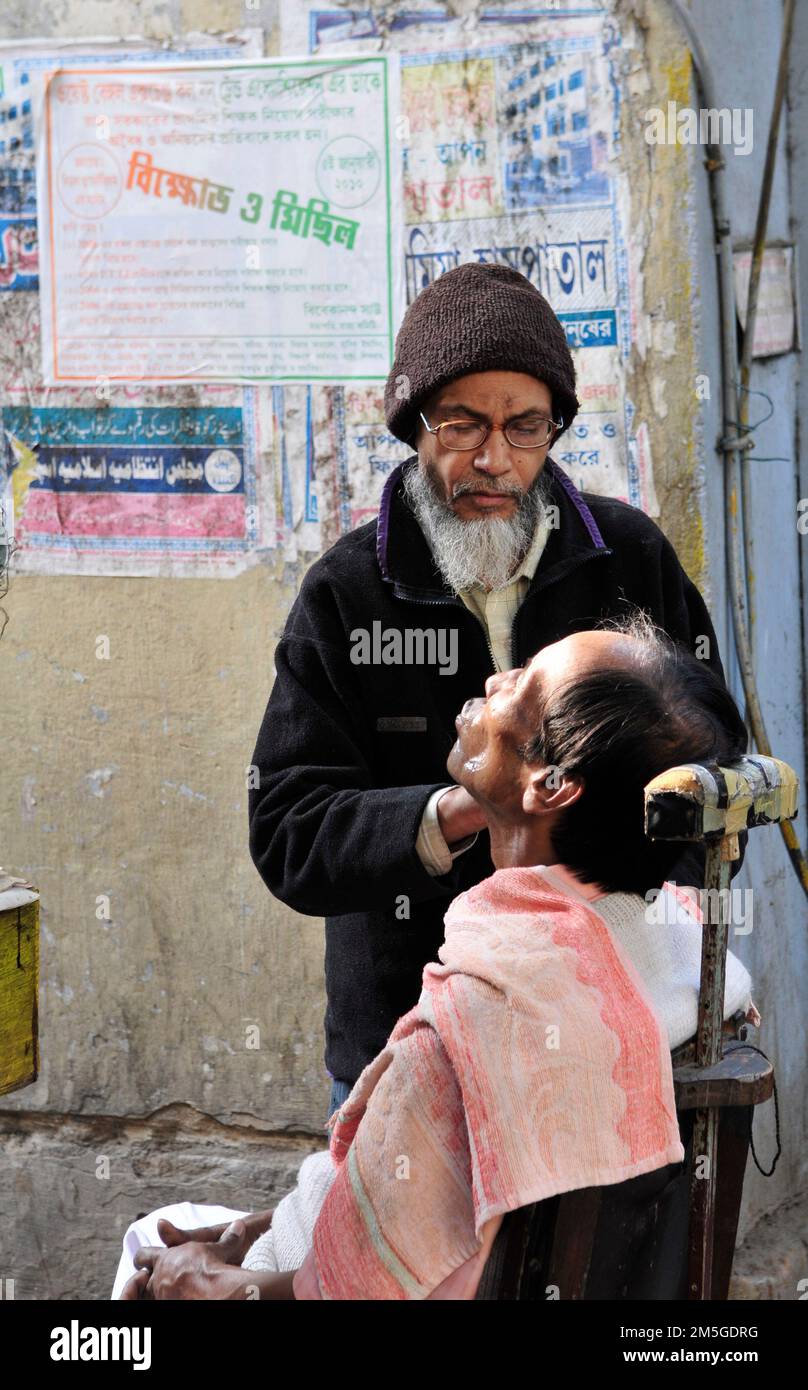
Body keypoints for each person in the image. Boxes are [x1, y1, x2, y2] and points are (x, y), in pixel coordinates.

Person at [116, 615, 757, 1301]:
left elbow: (346, 1292)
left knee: (145, 1252)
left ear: (549, 784)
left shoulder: (471, 1029)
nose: (493, 679)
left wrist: (214, 1282)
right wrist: (254, 1229)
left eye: (523, 684)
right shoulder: (694, 957)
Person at [247, 262, 748, 1121]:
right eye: (462, 423)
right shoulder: (345, 594)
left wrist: (668, 957)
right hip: (407, 1042)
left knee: (597, 1250)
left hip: (612, 1027)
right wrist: (468, 807)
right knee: (378, 1243)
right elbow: (289, 833)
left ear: (555, 429)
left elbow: (708, 769)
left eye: (525, 427)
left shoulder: (626, 560)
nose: (493, 459)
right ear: (414, 426)